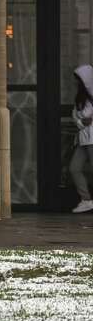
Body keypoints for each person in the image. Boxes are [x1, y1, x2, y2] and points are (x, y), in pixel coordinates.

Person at [71, 63, 93, 213]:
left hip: (92, 139)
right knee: (74, 168)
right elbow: (76, 116)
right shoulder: (80, 97)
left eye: (79, 79)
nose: (77, 82)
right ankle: (86, 200)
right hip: (83, 138)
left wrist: (83, 120)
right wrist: (81, 121)